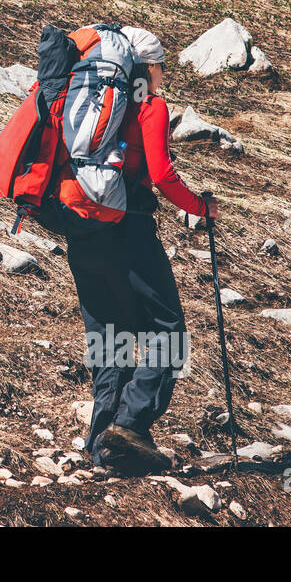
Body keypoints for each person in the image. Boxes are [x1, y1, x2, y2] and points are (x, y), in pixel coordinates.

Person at [56, 26, 218, 475]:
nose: (164, 74)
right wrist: (200, 206)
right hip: (129, 230)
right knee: (168, 329)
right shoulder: (148, 103)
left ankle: (101, 448)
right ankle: (131, 424)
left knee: (111, 337)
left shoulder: (84, 101)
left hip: (82, 225)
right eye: (162, 65)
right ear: (147, 66)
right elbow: (162, 173)